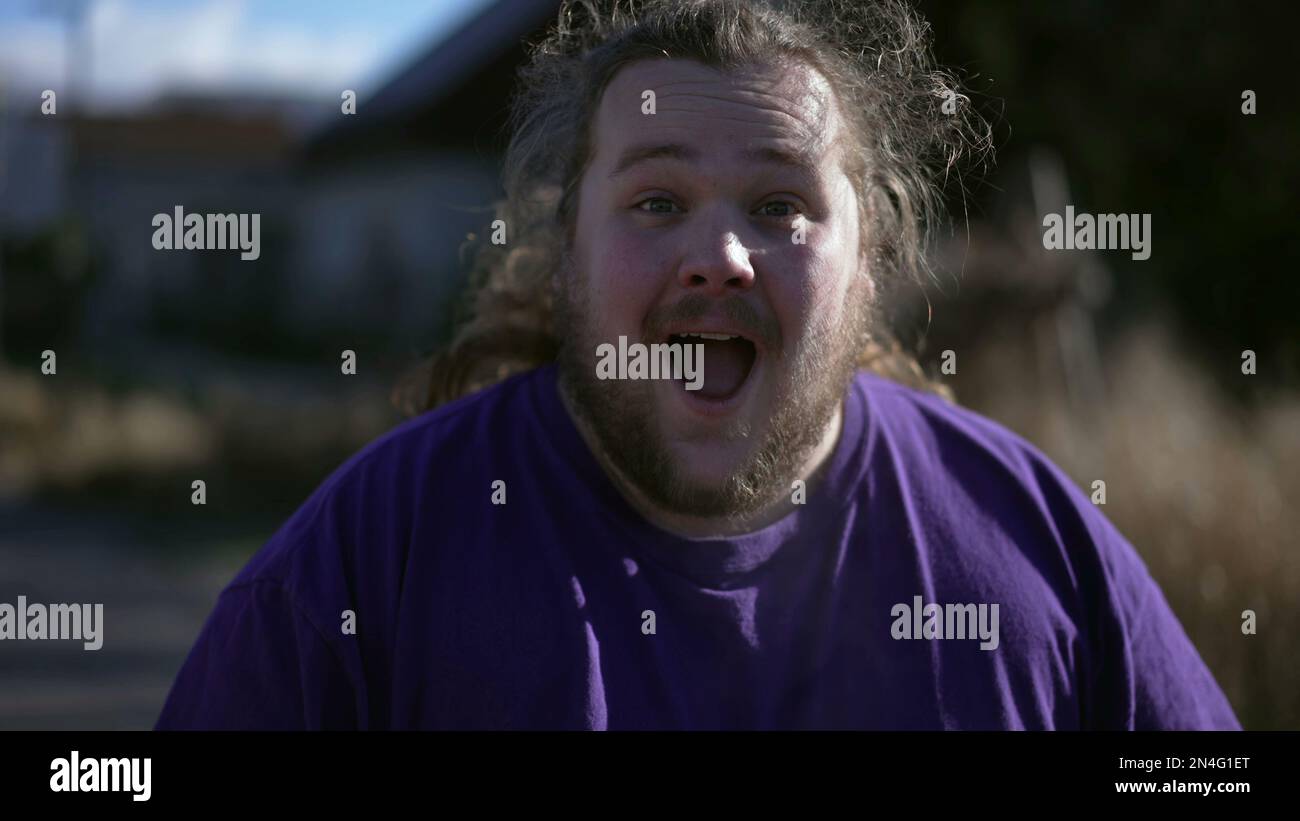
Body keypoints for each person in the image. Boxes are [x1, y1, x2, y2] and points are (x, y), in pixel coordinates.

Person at [156, 0, 1239, 730]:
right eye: (656, 201)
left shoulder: (1034, 547)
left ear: (872, 264)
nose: (718, 255)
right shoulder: (366, 560)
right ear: (567, 259)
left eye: (780, 206)